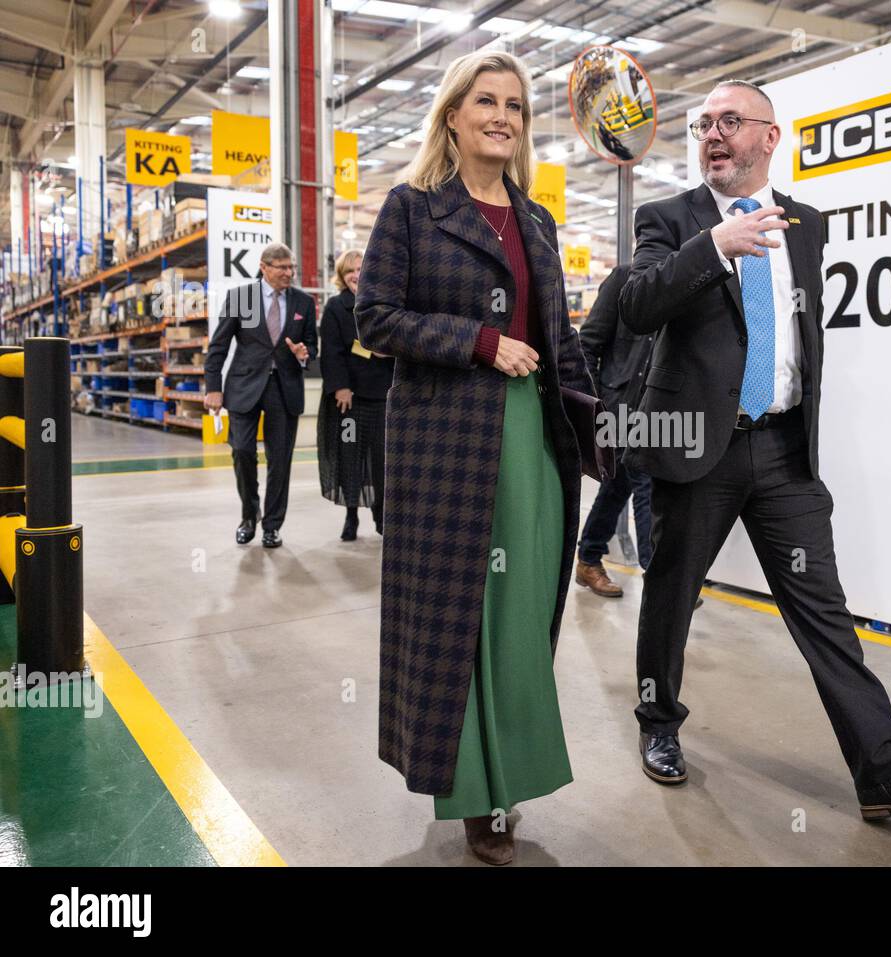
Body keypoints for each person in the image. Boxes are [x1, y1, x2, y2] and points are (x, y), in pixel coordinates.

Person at [619, 79, 891, 821]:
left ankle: (883, 772)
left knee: (825, 616)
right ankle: (658, 725)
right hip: (696, 451)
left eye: (731, 122)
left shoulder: (805, 223)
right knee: (671, 596)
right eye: (704, 123)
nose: (714, 134)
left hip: (781, 452)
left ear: (770, 137)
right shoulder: (669, 217)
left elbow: (801, 332)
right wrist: (713, 246)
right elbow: (639, 304)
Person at [355, 50, 596, 866]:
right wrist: (479, 341)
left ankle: (513, 776)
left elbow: (559, 342)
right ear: (452, 115)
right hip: (447, 444)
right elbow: (377, 317)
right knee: (465, 623)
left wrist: (606, 427)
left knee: (521, 618)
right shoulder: (413, 210)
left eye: (516, 106)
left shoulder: (538, 223)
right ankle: (477, 802)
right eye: (485, 101)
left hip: (531, 439)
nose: (502, 116)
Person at [204, 242, 317, 549]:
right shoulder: (241, 298)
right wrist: (213, 387)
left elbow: (311, 347)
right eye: (282, 267)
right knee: (241, 451)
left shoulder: (303, 303)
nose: (289, 273)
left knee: (280, 461)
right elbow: (219, 346)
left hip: (284, 389)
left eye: (291, 267)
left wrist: (304, 354)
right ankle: (249, 516)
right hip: (243, 387)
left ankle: (272, 526)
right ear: (264, 267)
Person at [573, 264, 655, 595]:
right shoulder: (625, 279)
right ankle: (657, 574)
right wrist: (599, 404)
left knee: (618, 485)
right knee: (648, 483)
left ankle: (588, 558)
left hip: (657, 411)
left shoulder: (683, 282)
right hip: (618, 407)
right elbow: (588, 344)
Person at [317, 248, 394, 540]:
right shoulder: (336, 308)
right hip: (352, 397)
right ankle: (351, 516)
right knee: (351, 458)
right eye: (350, 271)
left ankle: (380, 516)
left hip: (385, 394)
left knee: (381, 461)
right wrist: (341, 387)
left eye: (361, 269)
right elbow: (333, 353)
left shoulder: (385, 304)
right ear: (341, 276)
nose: (356, 276)